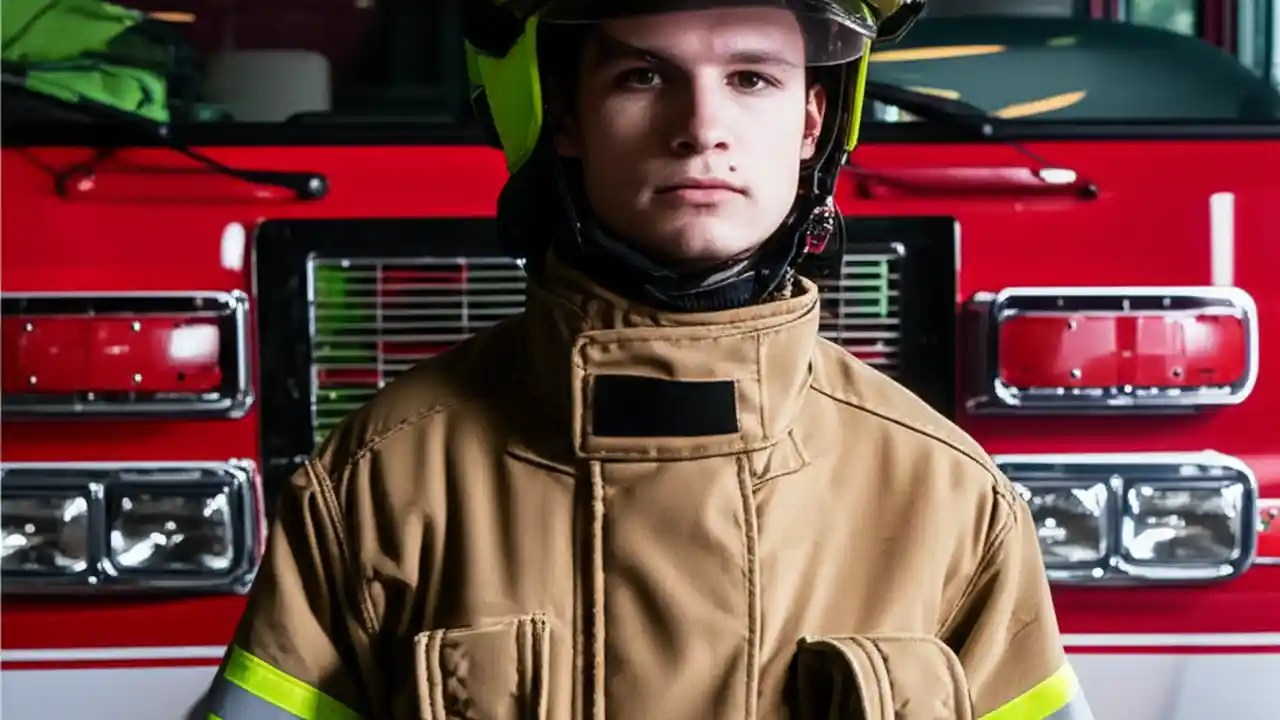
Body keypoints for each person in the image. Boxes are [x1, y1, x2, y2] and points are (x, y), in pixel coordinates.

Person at [193, 0, 1095, 718]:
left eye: (751, 77)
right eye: (641, 75)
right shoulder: (380, 482)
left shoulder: (946, 493)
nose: (701, 127)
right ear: (568, 118)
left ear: (812, 120)